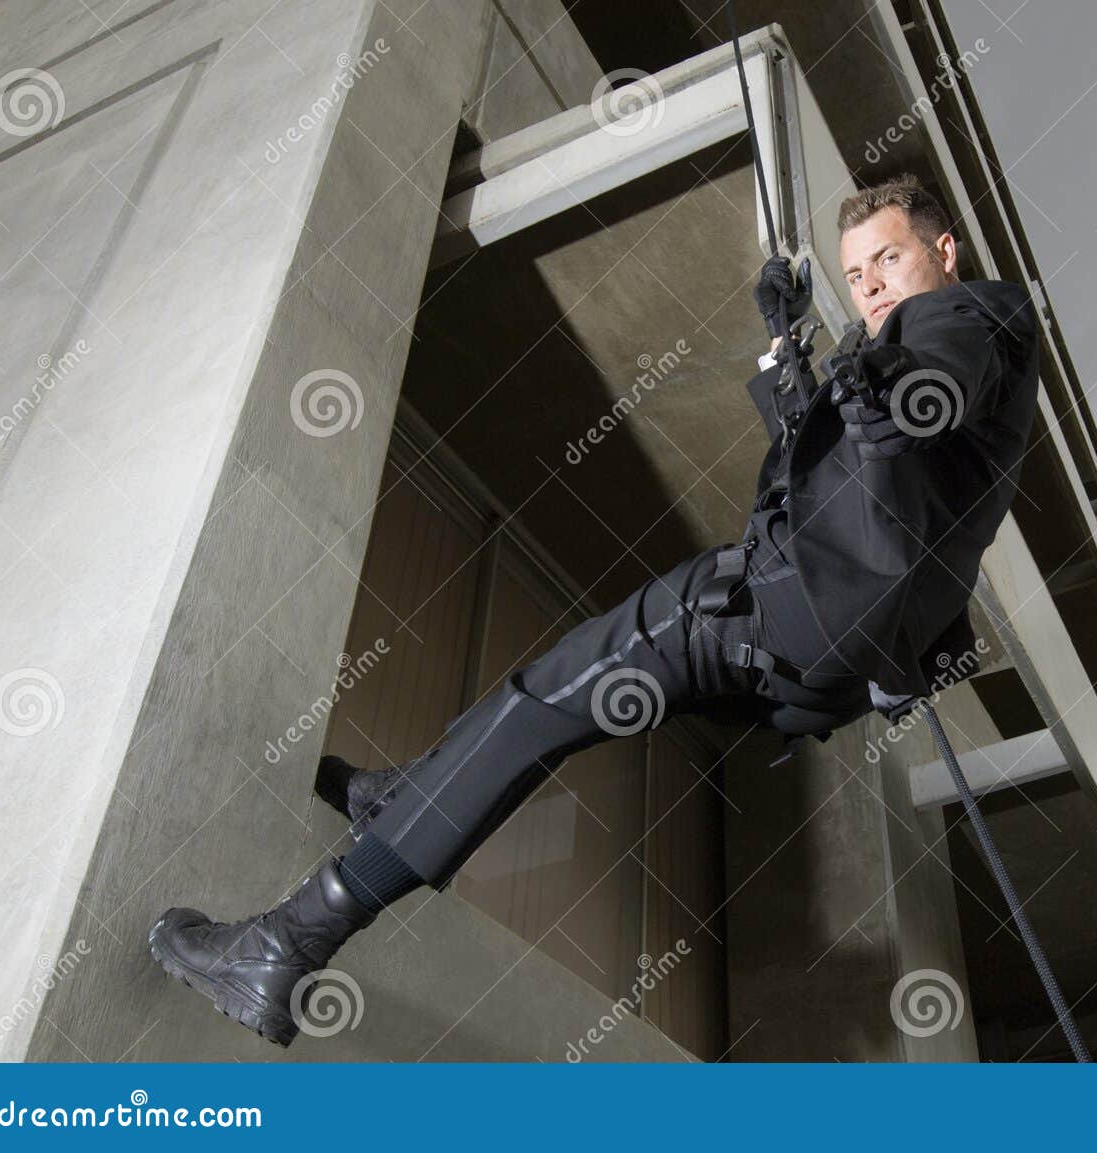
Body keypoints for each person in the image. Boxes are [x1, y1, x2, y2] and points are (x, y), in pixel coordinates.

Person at [147, 173, 1040, 1046]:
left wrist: (901, 397)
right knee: (555, 700)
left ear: (944, 250)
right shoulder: (917, 351)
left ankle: (285, 943)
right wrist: (784, 347)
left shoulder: (968, 317)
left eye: (888, 258)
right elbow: (843, 470)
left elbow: (933, 382)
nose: (873, 285)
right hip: (812, 664)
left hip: (768, 610)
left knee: (541, 705)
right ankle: (412, 792)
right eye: (857, 274)